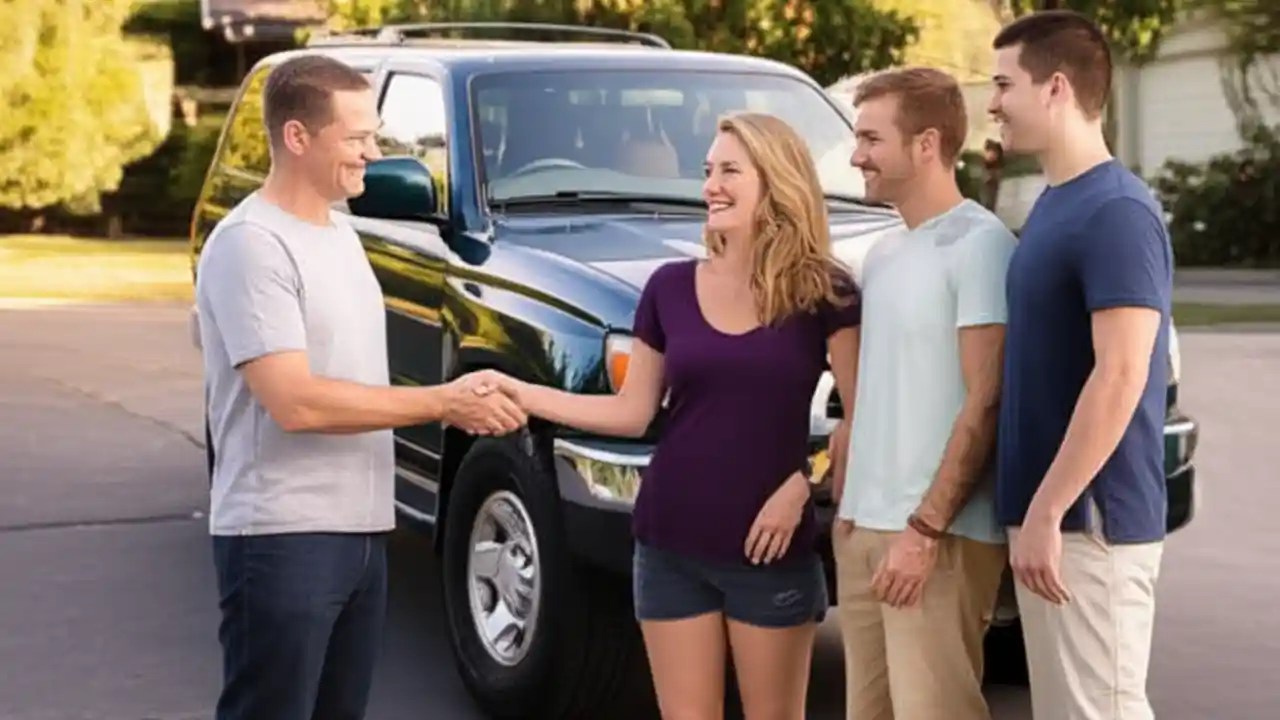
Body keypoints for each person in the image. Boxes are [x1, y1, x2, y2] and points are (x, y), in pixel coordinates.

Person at [471, 112, 861, 720]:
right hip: (667, 545)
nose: (710, 186)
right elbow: (632, 412)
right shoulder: (669, 288)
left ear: (777, 179)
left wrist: (804, 489)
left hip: (769, 552)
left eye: (730, 171)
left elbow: (861, 419)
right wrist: (521, 394)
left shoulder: (826, 293)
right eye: (708, 171)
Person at [194, 55, 526, 720]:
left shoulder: (341, 233)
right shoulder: (252, 245)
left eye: (374, 136)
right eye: (357, 138)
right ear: (297, 137)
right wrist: (443, 403)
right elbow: (295, 401)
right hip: (282, 537)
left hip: (361, 531)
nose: (374, 154)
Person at [989, 11, 1174, 720]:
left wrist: (1048, 509)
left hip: (1091, 527)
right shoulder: (1055, 205)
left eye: (1004, 84)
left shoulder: (1118, 212)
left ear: (1056, 88)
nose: (994, 103)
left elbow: (1122, 373)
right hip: (1054, 524)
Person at [834, 67, 1016, 720]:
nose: (856, 156)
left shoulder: (982, 247)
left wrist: (924, 528)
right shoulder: (883, 253)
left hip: (935, 537)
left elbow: (984, 403)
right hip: (865, 530)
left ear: (927, 144)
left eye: (871, 139)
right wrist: (850, 505)